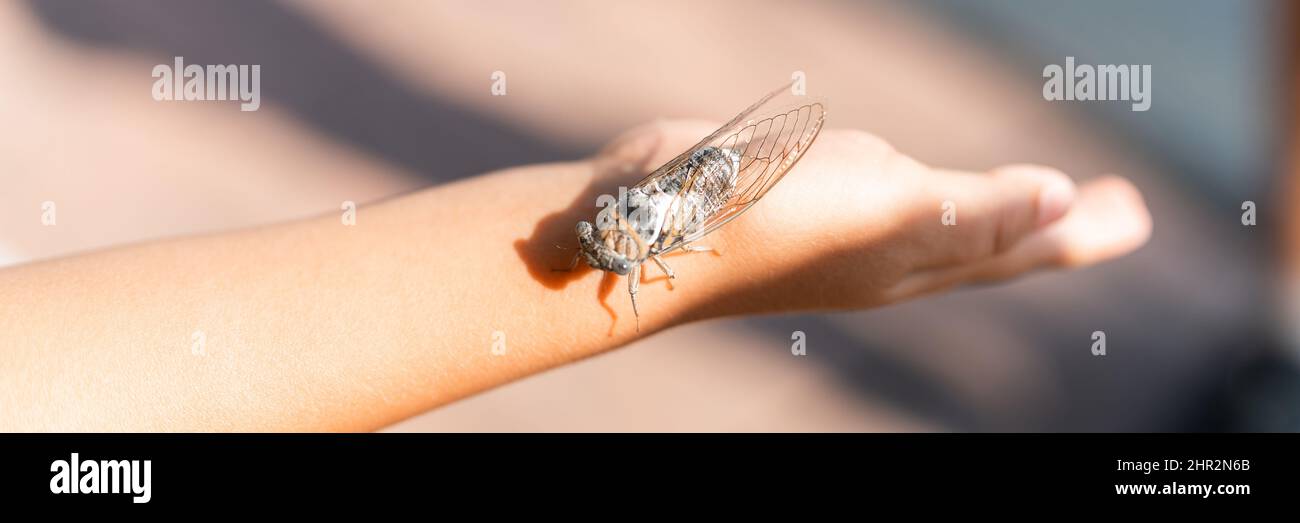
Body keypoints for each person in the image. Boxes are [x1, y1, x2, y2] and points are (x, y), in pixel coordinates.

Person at [0, 119, 1151, 431]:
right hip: (672, 201)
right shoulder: (616, 243)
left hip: (688, 186)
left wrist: (635, 197)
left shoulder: (616, 229)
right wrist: (708, 258)